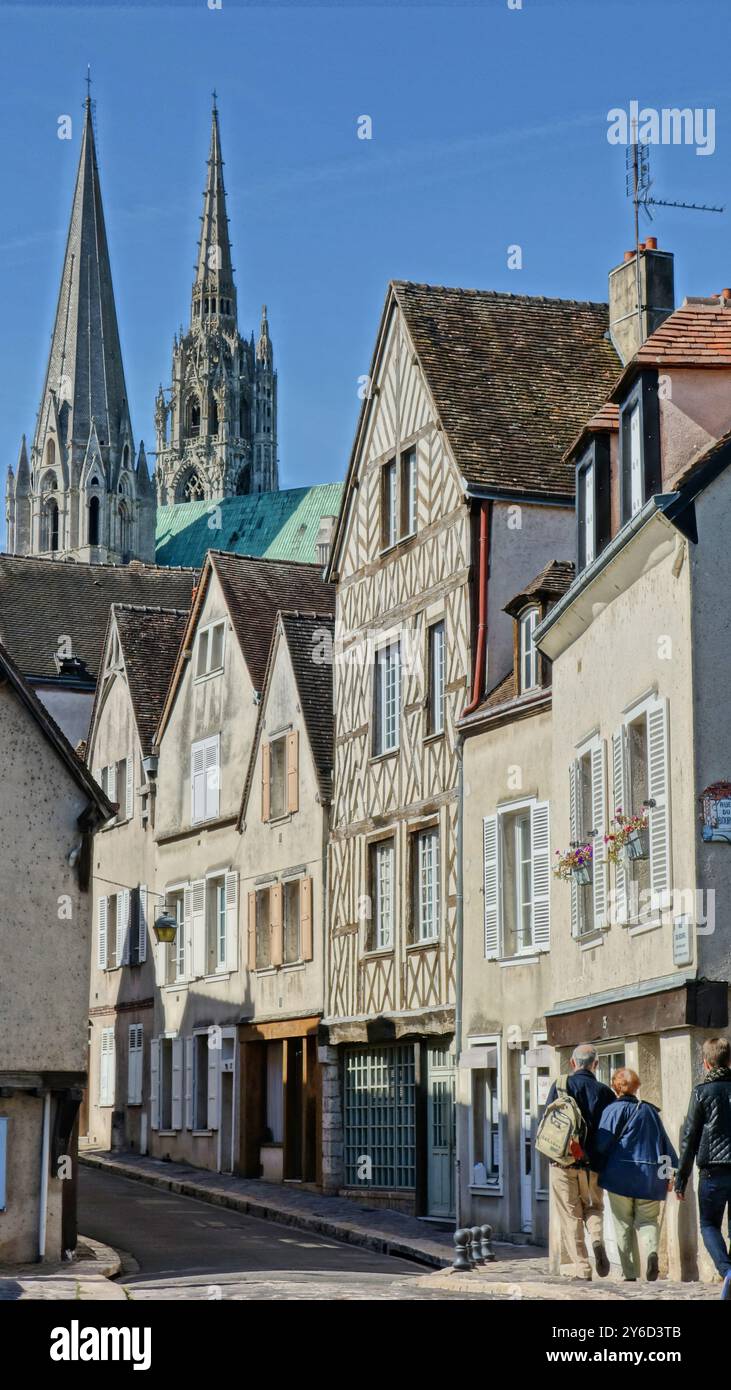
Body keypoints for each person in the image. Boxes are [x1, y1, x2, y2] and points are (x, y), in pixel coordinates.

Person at [593, 1068, 677, 1282]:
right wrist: (669, 1174)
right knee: (648, 1220)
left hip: (618, 1177)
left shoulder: (611, 1111)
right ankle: (651, 1252)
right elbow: (665, 1145)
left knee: (623, 1224)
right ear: (636, 1087)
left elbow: (601, 1145)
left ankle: (630, 1273)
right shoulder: (649, 1111)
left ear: (615, 1086)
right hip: (649, 1178)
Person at [545, 1042, 615, 1280]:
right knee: (594, 1208)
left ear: (573, 1063)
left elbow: (547, 1124)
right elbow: (610, 1133)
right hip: (592, 1165)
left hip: (563, 1163)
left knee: (570, 1215)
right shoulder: (605, 1093)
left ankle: (583, 1268)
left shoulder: (560, 1085)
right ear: (596, 1064)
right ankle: (596, 1239)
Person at [675, 1036, 731, 1300]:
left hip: (711, 1171)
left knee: (709, 1224)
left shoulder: (701, 1092)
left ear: (706, 1063)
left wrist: (681, 1178)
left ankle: (728, 1271)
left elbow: (689, 1137)